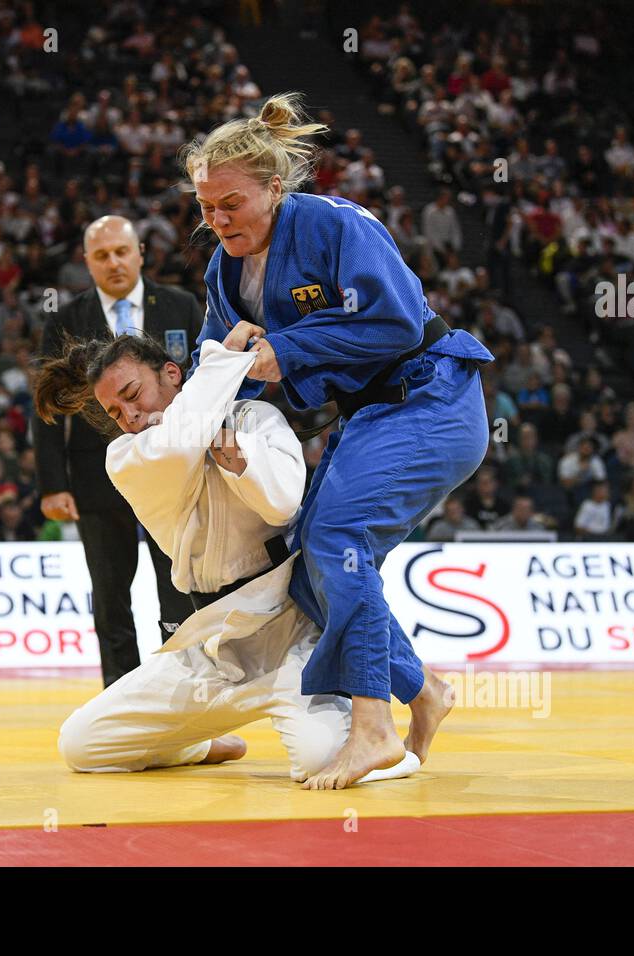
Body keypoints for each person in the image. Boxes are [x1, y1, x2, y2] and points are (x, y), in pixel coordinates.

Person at [184, 91, 492, 788]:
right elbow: (220, 361)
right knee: (309, 570)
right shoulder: (223, 271)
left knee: (337, 544)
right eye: (205, 206)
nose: (217, 219)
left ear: (274, 186)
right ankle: (423, 691)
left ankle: (374, 728)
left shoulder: (333, 224)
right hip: (373, 414)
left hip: (430, 397)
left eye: (231, 203)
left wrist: (282, 352)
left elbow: (398, 325)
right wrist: (199, 419)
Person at [35, 333, 441, 786]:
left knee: (318, 762)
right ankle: (200, 744)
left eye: (132, 395)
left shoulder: (254, 419)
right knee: (82, 743)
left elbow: (286, 506)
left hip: (290, 640)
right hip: (210, 650)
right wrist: (221, 357)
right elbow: (177, 442)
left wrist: (242, 464)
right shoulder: (126, 455)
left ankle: (395, 751)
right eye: (115, 413)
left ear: (172, 374)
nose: (129, 417)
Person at [33, 215, 200, 687]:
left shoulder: (181, 304)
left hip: (171, 474)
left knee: (178, 587)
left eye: (121, 252)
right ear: (87, 262)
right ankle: (124, 697)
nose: (114, 263)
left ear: (140, 253)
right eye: (102, 255)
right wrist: (52, 484)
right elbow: (46, 406)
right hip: (96, 479)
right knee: (110, 596)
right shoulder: (66, 319)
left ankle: (187, 692)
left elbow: (203, 382)